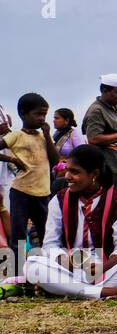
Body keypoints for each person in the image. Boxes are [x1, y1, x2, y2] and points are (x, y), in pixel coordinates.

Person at [23, 144, 117, 299]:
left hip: (103, 268)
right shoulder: (59, 200)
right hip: (67, 267)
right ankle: (100, 293)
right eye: (67, 170)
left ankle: (68, 290)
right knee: (32, 264)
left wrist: (102, 267)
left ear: (94, 174)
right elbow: (50, 244)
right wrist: (65, 261)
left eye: (75, 172)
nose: (67, 176)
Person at [1, 93, 58, 256]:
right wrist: (11, 158)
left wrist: (47, 135)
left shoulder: (44, 137)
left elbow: (54, 160)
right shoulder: (16, 135)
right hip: (21, 192)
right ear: (23, 114)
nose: (42, 118)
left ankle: (48, 270)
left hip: (42, 193)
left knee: (46, 234)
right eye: (38, 114)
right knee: (18, 235)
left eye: (44, 115)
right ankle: (15, 275)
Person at [50, 108, 85, 193]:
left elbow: (82, 153)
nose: (54, 121)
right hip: (54, 171)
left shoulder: (74, 133)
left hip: (67, 173)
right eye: (54, 118)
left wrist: (67, 162)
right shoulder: (55, 134)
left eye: (57, 118)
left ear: (66, 120)